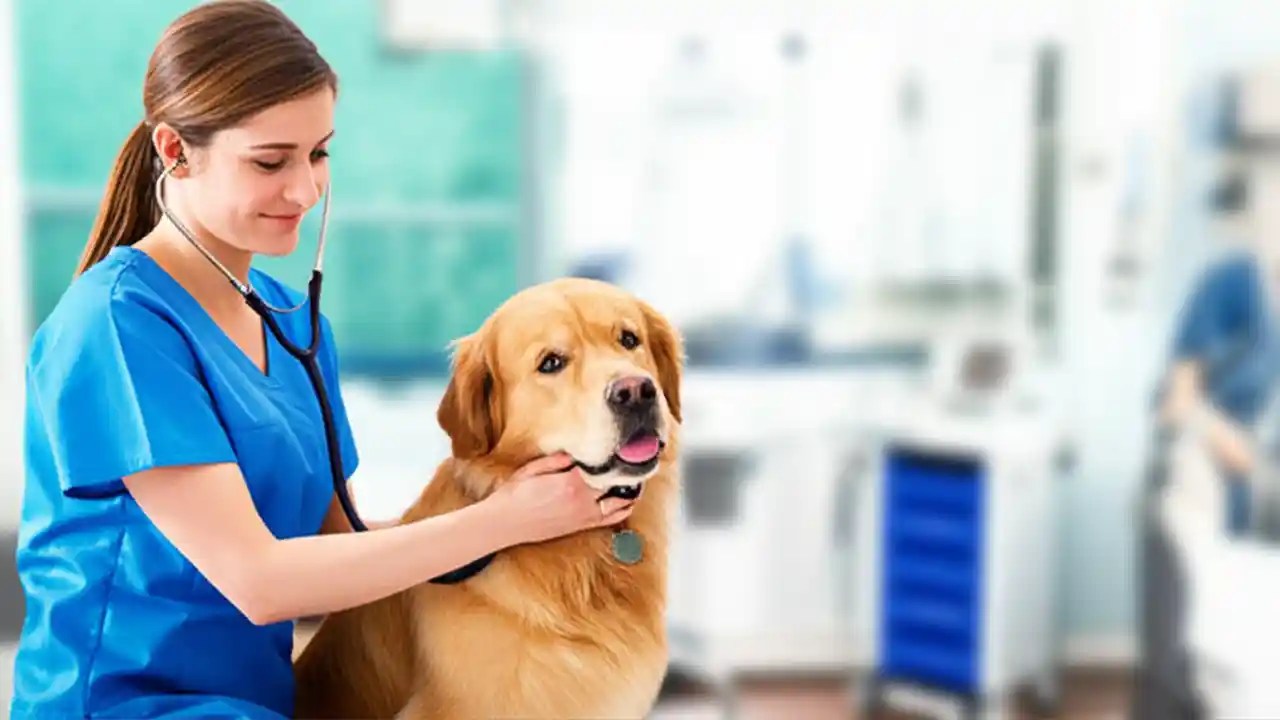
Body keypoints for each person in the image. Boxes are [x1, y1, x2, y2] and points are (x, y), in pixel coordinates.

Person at [8, 2, 636, 718]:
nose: (305, 189)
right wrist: (505, 521)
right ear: (176, 152)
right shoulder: (116, 324)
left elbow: (346, 549)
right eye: (271, 161)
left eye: (319, 153)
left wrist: (536, 505)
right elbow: (262, 580)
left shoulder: (295, 325)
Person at [1132, 242, 1280, 720]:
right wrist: (1226, 440)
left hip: (1233, 511)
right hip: (1183, 491)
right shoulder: (1234, 283)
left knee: (1217, 668)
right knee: (1171, 667)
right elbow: (1176, 401)